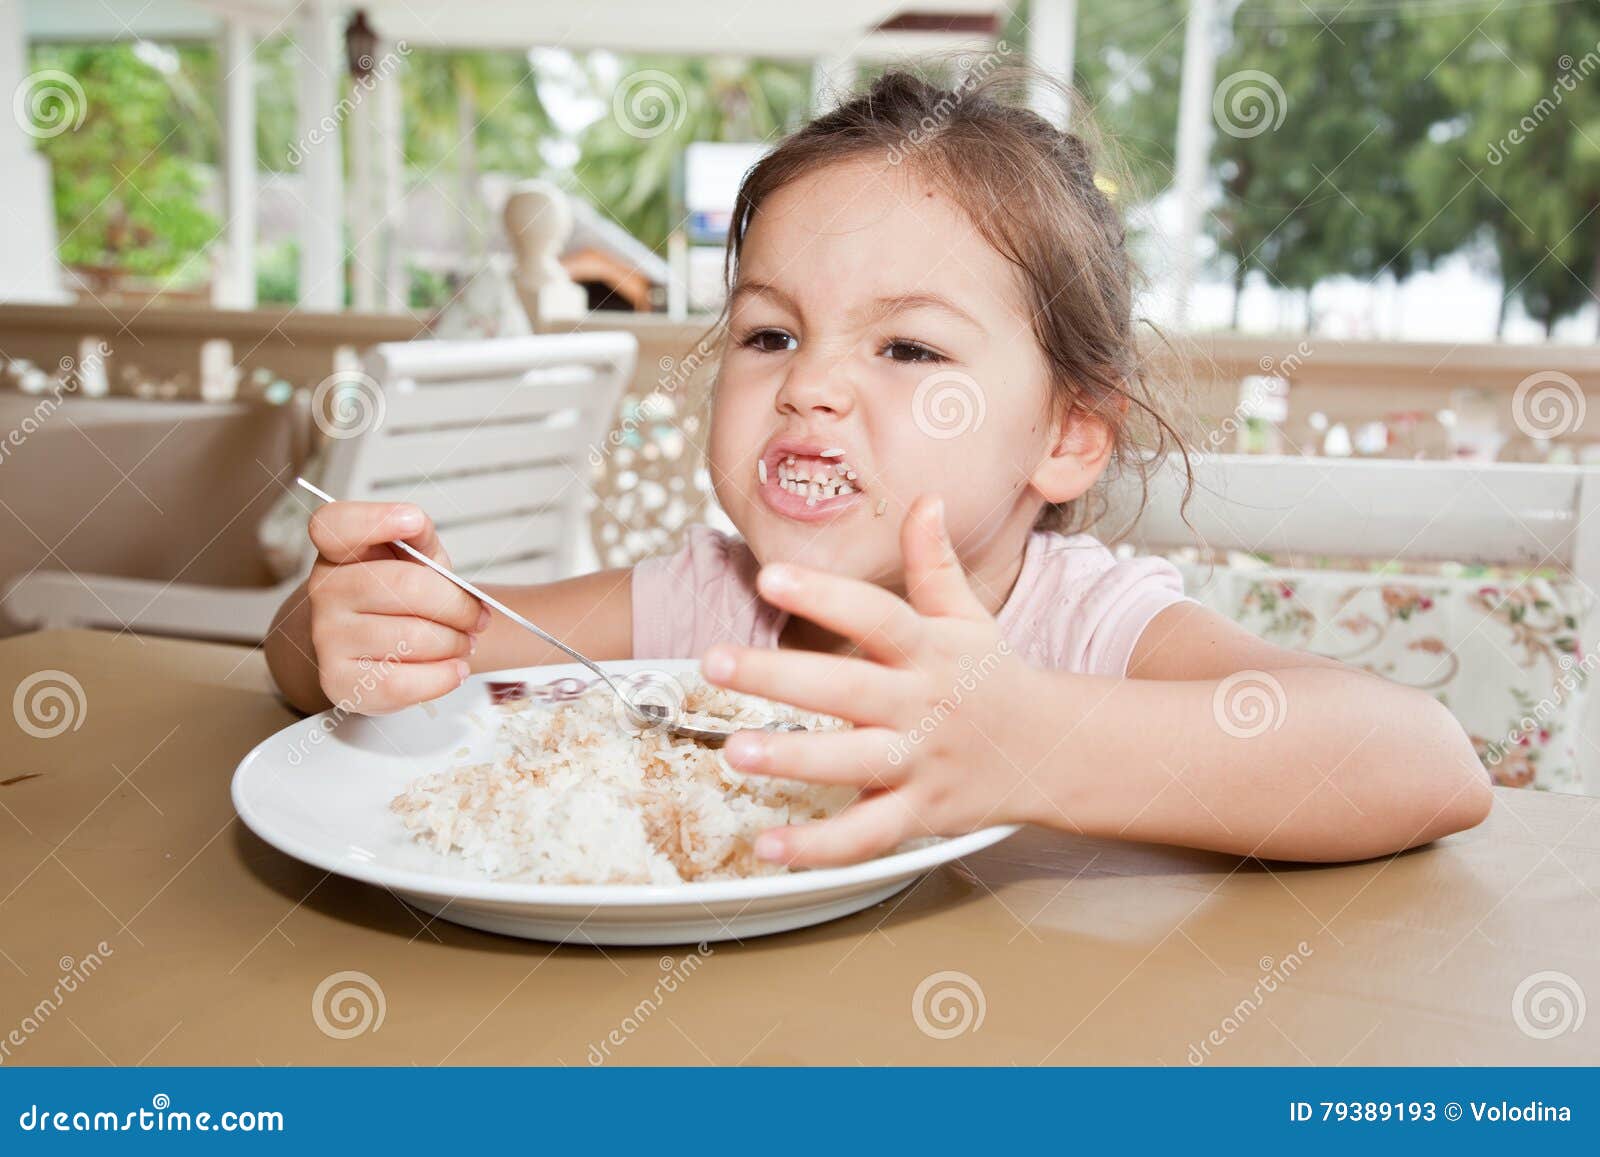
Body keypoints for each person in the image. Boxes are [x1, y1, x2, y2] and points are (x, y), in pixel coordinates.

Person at [267, 69, 1491, 869]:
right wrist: (347, 626)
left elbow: (1419, 761)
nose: (809, 386)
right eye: (769, 334)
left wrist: (1035, 739)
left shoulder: (1082, 625)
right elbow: (351, 664)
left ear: (1066, 435)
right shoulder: (705, 605)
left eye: (907, 347)